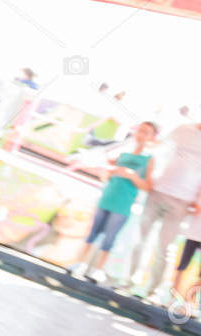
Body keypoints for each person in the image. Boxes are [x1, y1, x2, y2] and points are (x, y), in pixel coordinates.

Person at [67, 121, 159, 283]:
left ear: (152, 137)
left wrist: (131, 175)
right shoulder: (122, 153)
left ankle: (98, 270)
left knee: (110, 238)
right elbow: (105, 174)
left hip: (123, 204)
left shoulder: (149, 159)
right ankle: (79, 263)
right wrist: (110, 172)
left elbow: (148, 186)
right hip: (108, 197)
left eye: (146, 132)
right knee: (92, 233)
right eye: (140, 130)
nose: (141, 134)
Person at [128, 117, 201, 302]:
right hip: (157, 192)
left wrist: (198, 198)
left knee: (163, 248)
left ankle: (151, 290)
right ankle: (129, 282)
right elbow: (158, 149)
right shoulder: (183, 129)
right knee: (139, 239)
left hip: (182, 202)